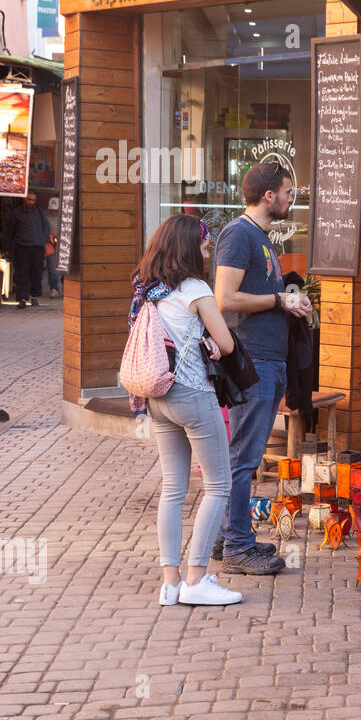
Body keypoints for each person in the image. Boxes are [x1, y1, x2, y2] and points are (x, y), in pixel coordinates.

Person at [130, 215, 242, 606]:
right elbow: (226, 343)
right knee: (218, 485)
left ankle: (170, 583)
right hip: (193, 396)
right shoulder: (195, 289)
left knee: (174, 489)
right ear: (187, 248)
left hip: (158, 399)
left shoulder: (150, 291)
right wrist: (211, 339)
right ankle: (197, 578)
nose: (207, 251)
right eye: (204, 244)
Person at [212, 161, 312, 574]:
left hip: (268, 362)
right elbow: (224, 298)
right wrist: (278, 301)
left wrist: (290, 302)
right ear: (269, 195)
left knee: (244, 456)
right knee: (244, 459)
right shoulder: (238, 235)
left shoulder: (261, 239)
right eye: (288, 192)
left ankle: (222, 537)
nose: (292, 199)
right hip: (251, 362)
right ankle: (238, 546)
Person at [5, 192, 50, 306]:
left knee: (37, 273)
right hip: (22, 247)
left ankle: (34, 296)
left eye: (33, 200)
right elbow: (10, 231)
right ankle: (22, 298)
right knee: (22, 273)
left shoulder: (39, 212)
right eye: (29, 199)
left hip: (37, 247)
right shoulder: (16, 213)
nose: (31, 202)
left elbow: (46, 226)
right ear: (24, 200)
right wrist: (7, 247)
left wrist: (43, 240)